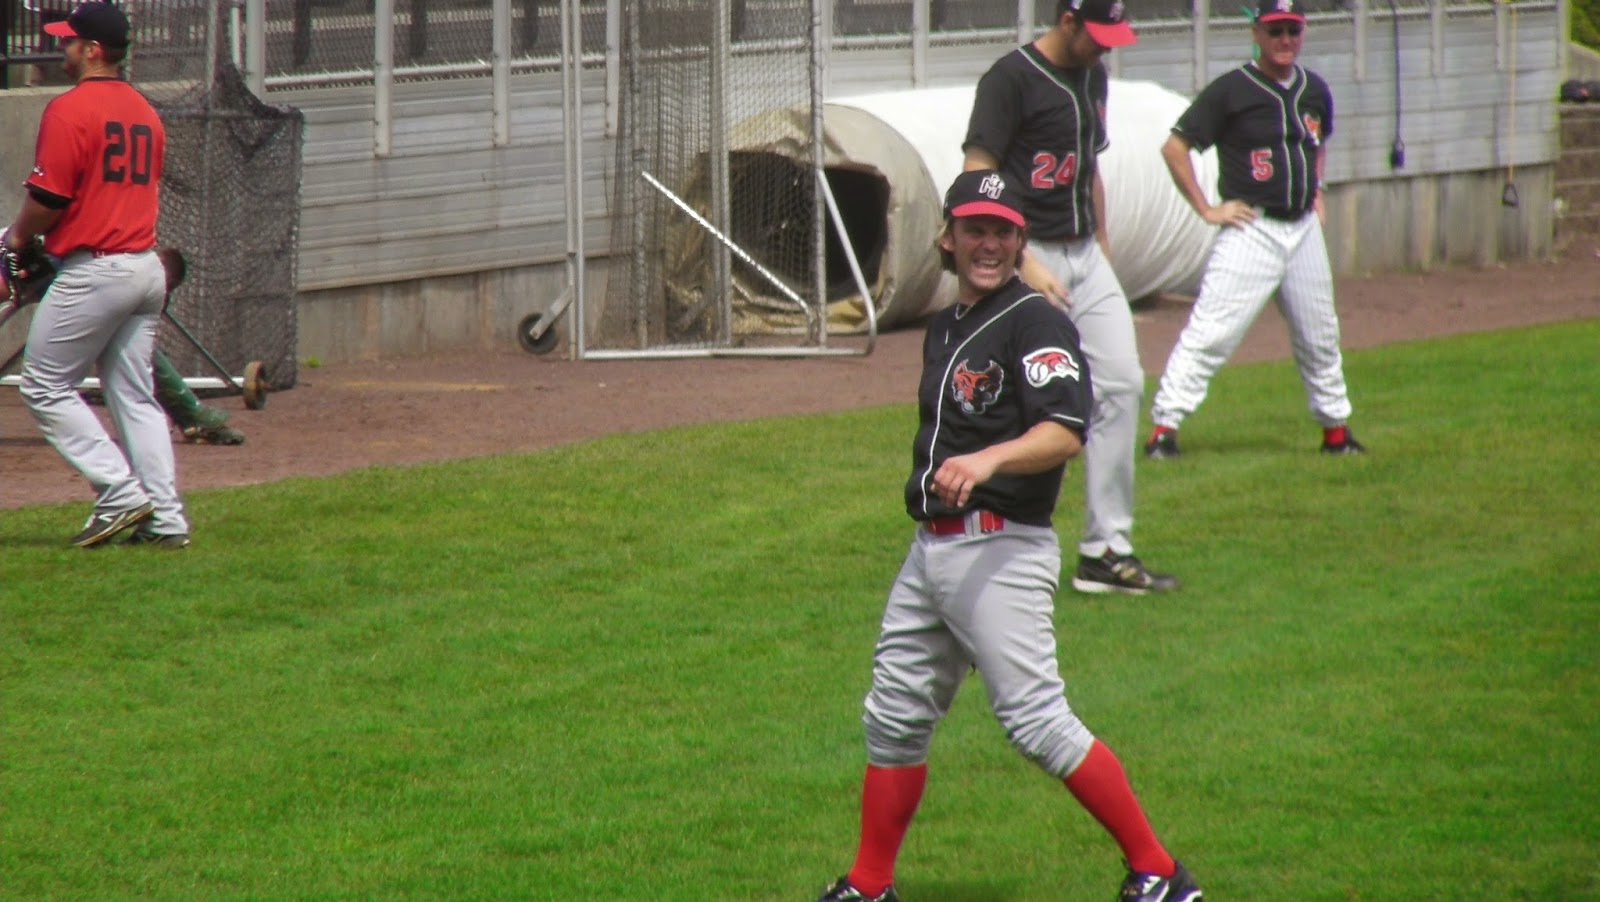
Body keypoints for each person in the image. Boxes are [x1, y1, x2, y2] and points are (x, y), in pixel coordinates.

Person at [813, 170, 1203, 902]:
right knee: (895, 715)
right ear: (949, 238)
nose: (987, 244)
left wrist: (990, 459)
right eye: (975, 229)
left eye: (1002, 231)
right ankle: (869, 885)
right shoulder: (947, 325)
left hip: (999, 550)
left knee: (1036, 721)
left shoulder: (1036, 320)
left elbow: (1065, 430)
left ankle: (1160, 871)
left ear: (1020, 242)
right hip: (932, 548)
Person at [962, 0, 1178, 596]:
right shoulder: (1010, 80)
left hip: (1084, 254)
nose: (1107, 46)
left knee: (1121, 384)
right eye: (1099, 34)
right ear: (1066, 22)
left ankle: (1105, 551)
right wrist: (1019, 260)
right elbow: (976, 172)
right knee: (1013, 400)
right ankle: (978, 538)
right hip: (1026, 255)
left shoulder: (1094, 76)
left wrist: (1103, 246)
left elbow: (1088, 170)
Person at [5, 0, 192, 548]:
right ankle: (166, 518)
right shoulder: (146, 112)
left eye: (69, 41)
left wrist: (19, 238)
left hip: (99, 271)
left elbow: (48, 199)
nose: (62, 49)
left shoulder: (71, 109)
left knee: (43, 385)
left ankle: (119, 492)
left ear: (92, 51)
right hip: (145, 269)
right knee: (134, 397)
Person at [1144, 0, 1364, 458]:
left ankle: (1336, 434)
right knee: (1212, 331)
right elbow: (1175, 147)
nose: (1285, 40)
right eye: (1275, 30)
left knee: (1320, 333)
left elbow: (1317, 146)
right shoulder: (1232, 90)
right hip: (1253, 227)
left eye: (1292, 30)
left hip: (1302, 228)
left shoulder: (1315, 90)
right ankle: (1163, 431)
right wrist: (1207, 209)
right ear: (1256, 33)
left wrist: (1316, 189)